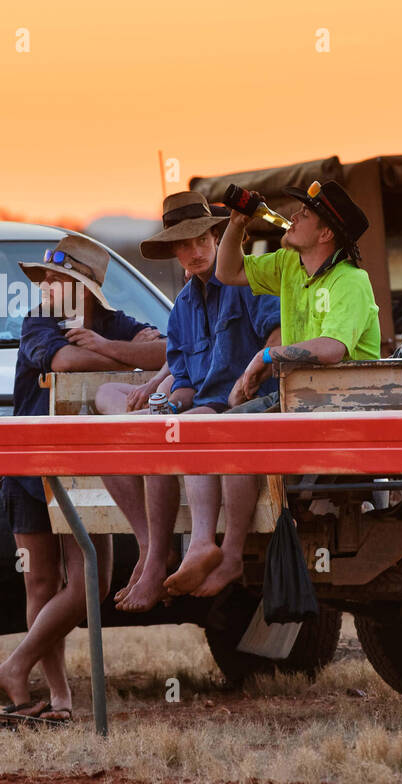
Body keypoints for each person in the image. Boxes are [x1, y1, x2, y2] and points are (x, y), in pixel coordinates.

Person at [160, 180, 380, 596]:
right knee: (214, 427)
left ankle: (229, 556)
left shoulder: (351, 280)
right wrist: (239, 223)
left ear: (325, 233)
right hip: (299, 403)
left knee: (231, 429)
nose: (293, 216)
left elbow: (333, 348)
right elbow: (229, 271)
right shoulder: (289, 266)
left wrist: (264, 358)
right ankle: (211, 550)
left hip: (340, 411)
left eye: (305, 214)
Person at [0, 235, 166, 720]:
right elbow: (63, 361)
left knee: (94, 580)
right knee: (41, 582)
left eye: (57, 279)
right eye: (44, 278)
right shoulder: (38, 323)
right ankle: (56, 698)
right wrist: (127, 356)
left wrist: (110, 345)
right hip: (29, 468)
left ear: (84, 287)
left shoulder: (114, 324)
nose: (47, 286)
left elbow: (169, 352)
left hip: (89, 473)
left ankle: (15, 666)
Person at [97, 192, 281, 610]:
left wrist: (252, 373)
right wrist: (164, 406)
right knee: (142, 434)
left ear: (218, 237)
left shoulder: (249, 279)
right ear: (174, 251)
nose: (195, 251)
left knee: (193, 423)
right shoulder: (182, 305)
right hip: (207, 407)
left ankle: (203, 546)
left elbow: (279, 335)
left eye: (202, 240)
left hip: (253, 405)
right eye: (184, 244)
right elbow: (182, 377)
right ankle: (153, 555)